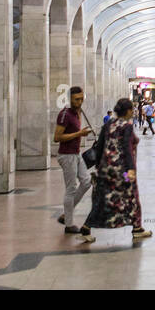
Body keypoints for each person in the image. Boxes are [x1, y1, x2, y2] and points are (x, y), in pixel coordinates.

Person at [80, 97, 151, 244]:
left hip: (106, 169)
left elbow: (99, 146)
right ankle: (137, 227)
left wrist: (98, 165)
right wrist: (131, 169)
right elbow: (126, 148)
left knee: (102, 200)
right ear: (129, 111)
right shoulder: (127, 126)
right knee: (132, 196)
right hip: (122, 171)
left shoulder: (109, 124)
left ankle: (87, 227)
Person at [53, 86, 96, 234]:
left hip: (76, 154)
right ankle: (69, 224)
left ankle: (67, 213)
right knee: (71, 188)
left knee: (86, 182)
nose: (79, 101)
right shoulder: (65, 114)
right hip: (67, 155)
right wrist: (79, 133)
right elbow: (57, 137)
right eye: (76, 99)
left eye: (81, 99)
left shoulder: (78, 112)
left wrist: (80, 133)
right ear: (69, 98)